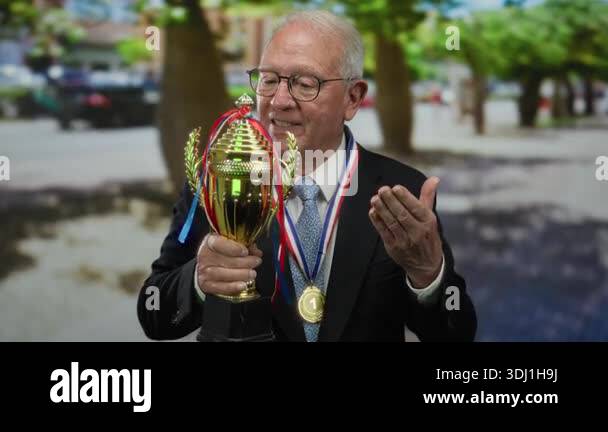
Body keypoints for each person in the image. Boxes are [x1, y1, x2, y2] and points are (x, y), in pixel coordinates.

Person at [137, 10, 476, 342]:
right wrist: (198, 278)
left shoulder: (404, 193)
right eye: (268, 80)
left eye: (304, 84)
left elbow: (457, 332)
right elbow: (154, 313)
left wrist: (428, 275)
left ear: (353, 98)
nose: (279, 101)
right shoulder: (217, 181)